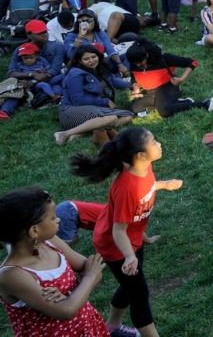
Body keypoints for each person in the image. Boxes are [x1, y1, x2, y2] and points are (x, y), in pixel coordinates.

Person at [68, 128, 183, 337]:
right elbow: (118, 230)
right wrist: (129, 255)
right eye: (154, 141)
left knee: (131, 285)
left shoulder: (143, 168)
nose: (159, 144)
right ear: (140, 155)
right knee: (140, 293)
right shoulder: (127, 188)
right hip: (115, 246)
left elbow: (146, 188)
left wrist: (164, 185)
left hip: (132, 241)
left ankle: (112, 327)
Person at [0, 187, 110, 336]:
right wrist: (88, 279)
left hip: (86, 327)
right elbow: (66, 310)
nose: (58, 219)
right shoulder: (11, 275)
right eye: (52, 217)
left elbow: (91, 268)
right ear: (34, 230)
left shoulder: (49, 242)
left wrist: (71, 296)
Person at [53, 45, 133, 146]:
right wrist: (105, 101)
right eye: (86, 59)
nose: (91, 61)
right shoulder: (75, 74)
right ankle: (64, 134)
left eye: (93, 57)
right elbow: (78, 100)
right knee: (111, 118)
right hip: (71, 110)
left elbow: (113, 80)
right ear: (79, 61)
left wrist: (132, 85)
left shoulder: (99, 68)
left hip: (93, 109)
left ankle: (82, 131)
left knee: (128, 115)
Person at [126, 41, 213, 118]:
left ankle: (203, 104)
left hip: (166, 88)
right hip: (149, 92)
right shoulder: (134, 64)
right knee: (133, 110)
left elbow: (192, 62)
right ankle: (179, 103)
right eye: (135, 63)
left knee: (164, 111)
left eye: (140, 63)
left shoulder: (164, 59)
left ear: (147, 55)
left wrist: (181, 79)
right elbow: (134, 77)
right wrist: (135, 87)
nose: (137, 65)